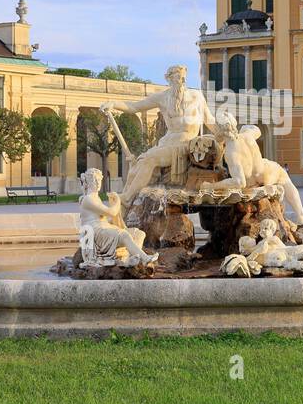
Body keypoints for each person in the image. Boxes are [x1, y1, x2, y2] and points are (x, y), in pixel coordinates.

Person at [100, 64, 216, 207]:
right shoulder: (162, 97)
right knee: (136, 166)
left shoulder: (196, 96)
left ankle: (127, 197)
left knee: (150, 159)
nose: (183, 81)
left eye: (184, 77)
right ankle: (125, 207)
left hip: (185, 145)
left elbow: (210, 121)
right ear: (169, 79)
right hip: (166, 143)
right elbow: (134, 107)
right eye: (179, 77)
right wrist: (113, 103)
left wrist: (225, 132)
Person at [76, 168, 156, 268]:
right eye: (94, 180)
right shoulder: (88, 199)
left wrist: (113, 222)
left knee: (139, 233)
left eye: (99, 180)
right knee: (124, 235)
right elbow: (112, 212)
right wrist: (118, 200)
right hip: (96, 233)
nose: (97, 183)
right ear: (88, 182)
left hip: (104, 229)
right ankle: (145, 259)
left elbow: (104, 218)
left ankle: (133, 259)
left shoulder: (96, 198)